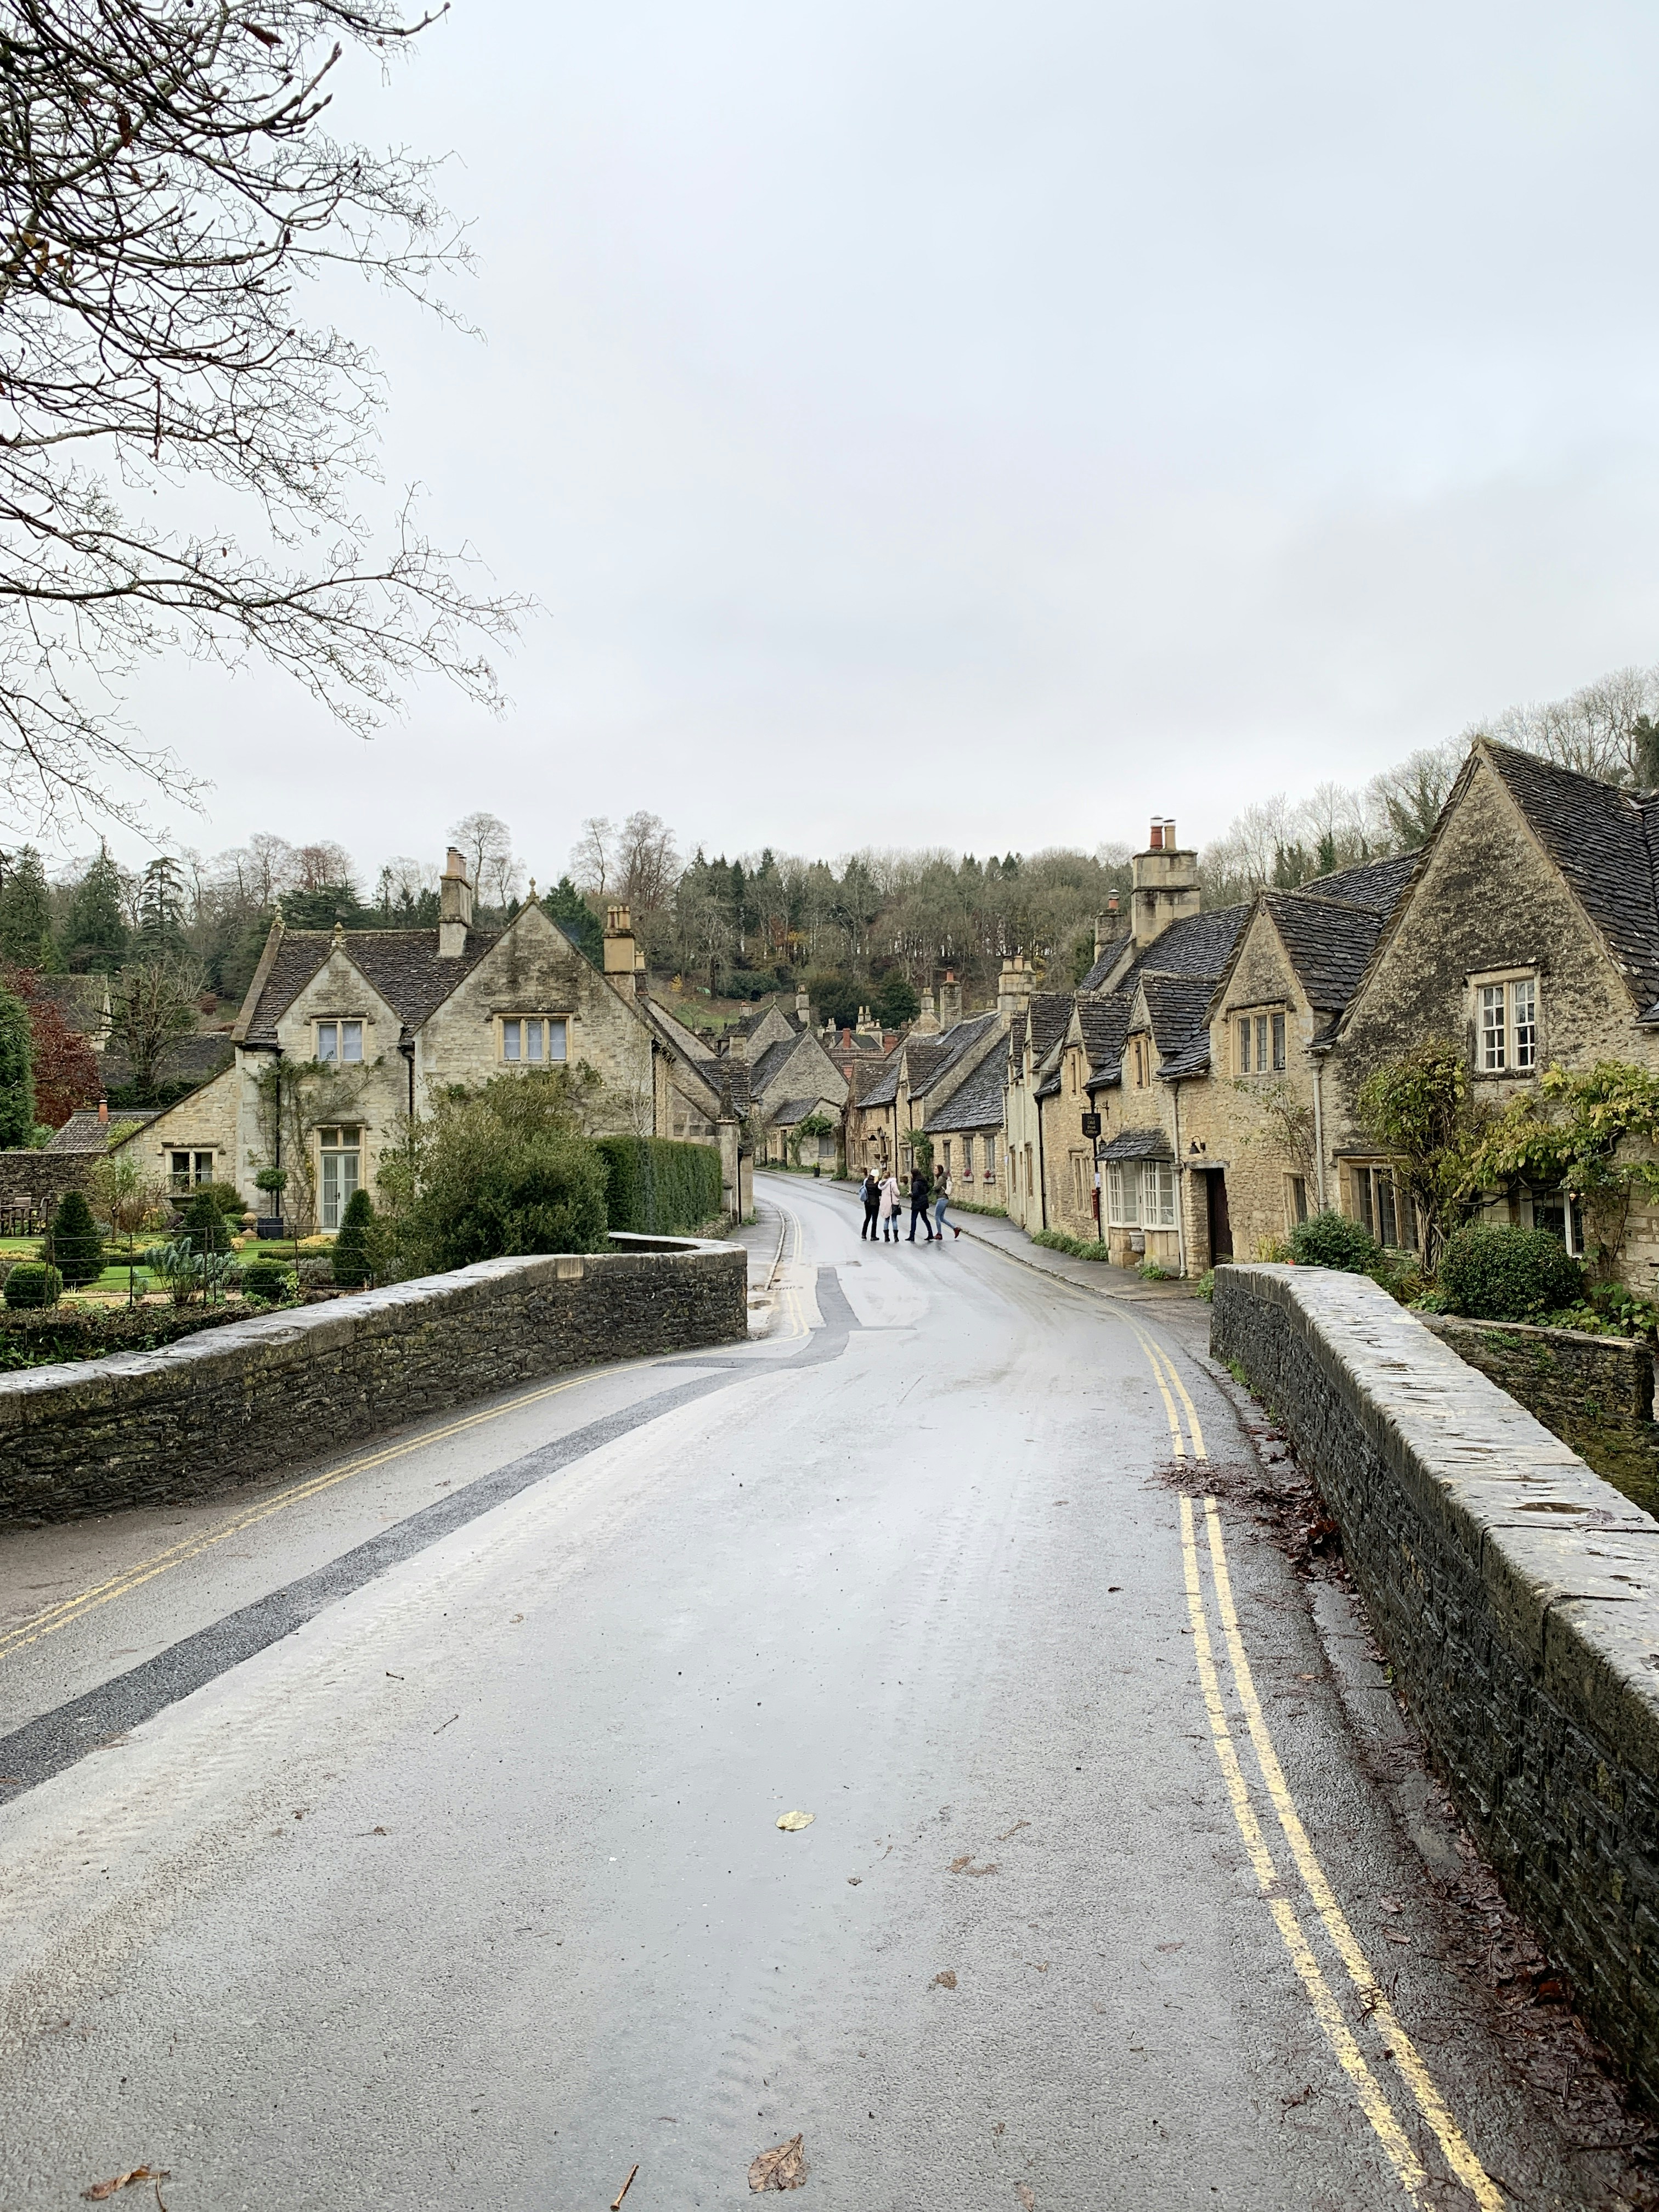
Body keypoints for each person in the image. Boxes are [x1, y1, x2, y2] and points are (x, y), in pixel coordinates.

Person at [908, 1160, 934, 1242]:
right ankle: (931, 1234)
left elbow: (915, 1194)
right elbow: (927, 1190)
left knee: (913, 1219)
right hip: (924, 1202)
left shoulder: (916, 1184)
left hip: (917, 1203)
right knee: (925, 1218)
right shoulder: (924, 1182)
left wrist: (910, 1194)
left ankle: (912, 1236)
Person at [934, 1160, 960, 1240]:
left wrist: (932, 1188)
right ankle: (955, 1228)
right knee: (941, 1218)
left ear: (939, 1171)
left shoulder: (941, 1178)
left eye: (936, 1169)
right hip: (944, 1199)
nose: (934, 1171)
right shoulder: (942, 1178)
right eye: (934, 1169)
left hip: (942, 1199)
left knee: (937, 1217)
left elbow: (936, 1188)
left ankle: (939, 1234)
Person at [878, 1169, 901, 1242]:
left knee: (886, 1220)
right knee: (894, 1220)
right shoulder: (892, 1183)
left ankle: (886, 1238)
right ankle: (896, 1237)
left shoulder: (881, 1184)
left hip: (884, 1203)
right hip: (892, 1203)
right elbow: (897, 1193)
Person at [860, 1169, 882, 1240]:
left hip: (867, 1202)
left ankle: (864, 1234)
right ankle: (873, 1236)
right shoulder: (877, 1183)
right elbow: (879, 1193)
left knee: (867, 1218)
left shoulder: (866, 1181)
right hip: (875, 1203)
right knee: (874, 1220)